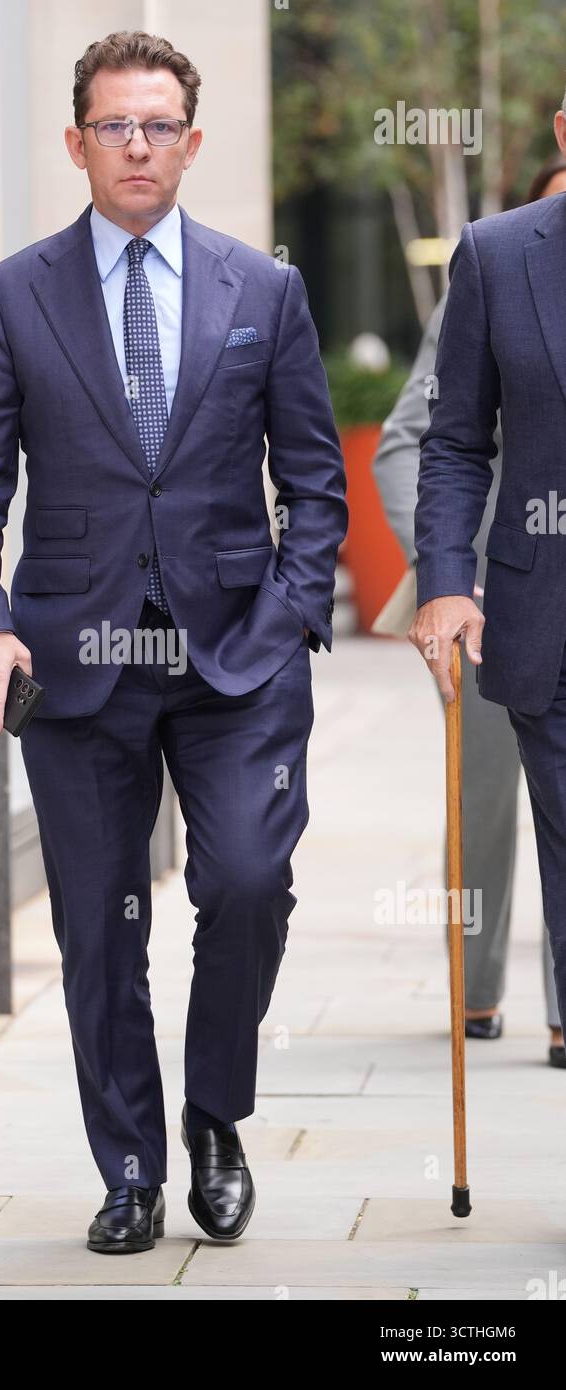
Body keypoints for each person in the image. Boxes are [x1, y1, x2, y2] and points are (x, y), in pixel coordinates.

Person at [0, 30, 347, 1253]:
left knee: (243, 886)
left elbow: (314, 481)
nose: (134, 145)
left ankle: (214, 1113)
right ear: (75, 142)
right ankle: (128, 1168)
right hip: (74, 662)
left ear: (191, 141)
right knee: (97, 924)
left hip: (235, 658)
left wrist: (286, 616)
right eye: (112, 125)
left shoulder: (261, 291)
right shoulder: (11, 296)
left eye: (156, 124)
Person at [376, 151, 566, 1067]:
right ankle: (475, 989)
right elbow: (428, 438)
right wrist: (445, 574)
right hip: (505, 597)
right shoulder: (494, 265)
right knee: (487, 805)